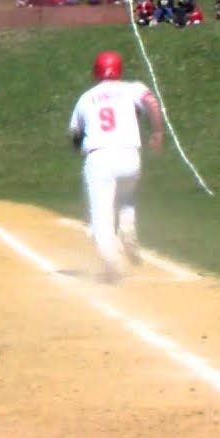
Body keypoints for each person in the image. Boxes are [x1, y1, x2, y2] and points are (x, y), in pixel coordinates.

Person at [68, 51, 165, 282]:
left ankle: (111, 261)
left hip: (100, 157)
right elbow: (151, 101)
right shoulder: (131, 88)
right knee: (126, 198)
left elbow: (74, 133)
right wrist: (158, 131)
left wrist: (79, 144)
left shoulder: (86, 97)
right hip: (130, 155)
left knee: (101, 215)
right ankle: (128, 229)